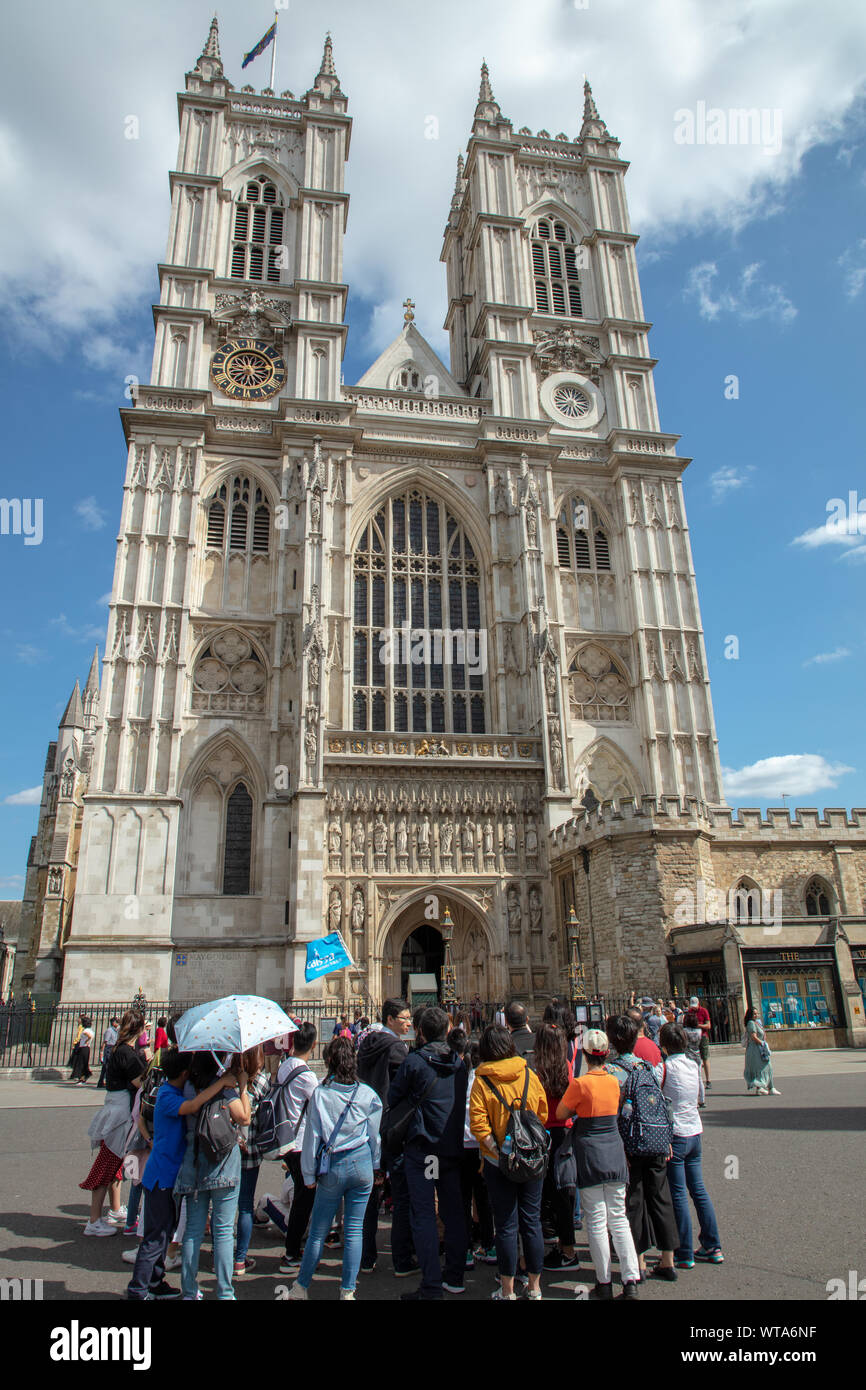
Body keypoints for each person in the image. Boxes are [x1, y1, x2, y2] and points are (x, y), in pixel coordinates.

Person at [126, 1049, 235, 1301]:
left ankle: (154, 1282)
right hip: (161, 1177)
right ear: (185, 1073)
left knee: (165, 1231)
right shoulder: (169, 1097)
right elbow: (194, 1105)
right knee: (155, 1237)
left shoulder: (168, 1090)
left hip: (168, 1175)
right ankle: (137, 1291)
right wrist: (221, 1082)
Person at [287, 1037, 382, 1301]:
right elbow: (374, 1136)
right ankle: (348, 1291)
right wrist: (375, 1165)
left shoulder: (320, 1093)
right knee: (354, 1231)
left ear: (329, 1061)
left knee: (318, 1230)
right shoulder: (367, 1094)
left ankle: (301, 1287)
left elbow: (311, 1138)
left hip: (333, 1165)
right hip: (362, 1163)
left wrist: (308, 1174)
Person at [388, 1006, 468, 1300]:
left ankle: (432, 1286)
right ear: (448, 1030)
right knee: (453, 1210)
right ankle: (456, 1275)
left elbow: (393, 1098)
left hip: (423, 1150)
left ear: (419, 1032)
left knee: (423, 1214)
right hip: (448, 1149)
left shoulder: (415, 1062)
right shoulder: (459, 1064)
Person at [557, 1028, 640, 1299]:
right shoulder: (614, 1082)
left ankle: (603, 1283)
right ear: (606, 1054)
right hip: (614, 1151)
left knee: (596, 1220)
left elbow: (561, 1113)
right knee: (619, 1218)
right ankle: (630, 1282)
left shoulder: (581, 1084)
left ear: (585, 1054)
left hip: (590, 1153)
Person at [470, 1022, 547, 1301]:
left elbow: (478, 1125)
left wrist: (499, 1152)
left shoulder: (482, 1079)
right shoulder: (528, 1073)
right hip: (530, 1160)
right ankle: (536, 1287)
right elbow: (542, 1113)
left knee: (505, 1225)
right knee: (532, 1222)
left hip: (497, 1163)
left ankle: (508, 1290)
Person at [605, 1014, 678, 1283]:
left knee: (633, 1201)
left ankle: (639, 1262)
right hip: (656, 1140)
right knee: (661, 1196)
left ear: (613, 1041)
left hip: (631, 1144)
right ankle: (668, 1260)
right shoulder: (646, 1067)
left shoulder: (612, 1071)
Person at [174, 1052, 250, 1300]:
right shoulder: (226, 1088)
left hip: (194, 1164)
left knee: (193, 1231)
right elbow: (244, 1117)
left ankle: (188, 1290)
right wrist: (243, 1086)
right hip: (223, 1164)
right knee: (223, 1231)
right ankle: (225, 1293)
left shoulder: (187, 1088)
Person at [357, 998, 416, 1277]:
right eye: (405, 1017)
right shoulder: (395, 1049)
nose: (409, 1022)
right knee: (401, 1195)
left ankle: (365, 1258)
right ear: (390, 1019)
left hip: (366, 1126)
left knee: (368, 1195)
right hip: (390, 1128)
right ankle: (402, 1259)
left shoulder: (365, 1043)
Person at [658, 1023, 723, 1269]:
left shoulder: (664, 1068)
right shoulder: (694, 1065)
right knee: (698, 1189)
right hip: (695, 1132)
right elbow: (700, 1098)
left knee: (677, 1194)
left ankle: (684, 1252)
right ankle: (713, 1245)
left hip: (676, 1137)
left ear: (663, 1046)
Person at [79, 1010, 145, 1235]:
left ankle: (115, 1209)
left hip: (118, 1108)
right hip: (120, 1114)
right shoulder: (126, 1052)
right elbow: (139, 1083)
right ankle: (93, 1221)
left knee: (119, 1162)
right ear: (140, 1028)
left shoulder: (121, 1049)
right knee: (108, 1163)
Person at [276, 1021, 320, 1274]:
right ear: (313, 1046)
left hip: (287, 1140)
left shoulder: (284, 1067)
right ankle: (291, 1252)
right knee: (305, 1198)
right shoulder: (306, 1075)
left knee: (301, 1193)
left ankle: (295, 1243)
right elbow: (319, 1104)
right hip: (301, 1143)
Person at [535, 1022, 579, 1271]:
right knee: (563, 1191)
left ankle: (560, 1245)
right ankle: (566, 1247)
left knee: (546, 1191)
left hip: (544, 1134)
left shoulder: (536, 1070)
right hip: (563, 1132)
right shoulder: (567, 1066)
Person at [455, 1033, 496, 1269]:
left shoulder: (458, 1080)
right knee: (484, 1199)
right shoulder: (486, 1081)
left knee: (462, 1199)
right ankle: (489, 1244)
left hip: (462, 1146)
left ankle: (467, 1249)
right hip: (484, 1148)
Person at [232, 1044, 270, 1277]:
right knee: (245, 1205)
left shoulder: (227, 1079)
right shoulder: (263, 1083)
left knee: (222, 1206)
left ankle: (220, 1254)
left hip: (225, 1152)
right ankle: (239, 1260)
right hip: (251, 1152)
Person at [743, 1006, 781, 1096]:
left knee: (768, 1067)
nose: (756, 1015)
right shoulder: (751, 1023)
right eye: (754, 1014)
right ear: (750, 1015)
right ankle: (760, 1087)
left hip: (760, 1047)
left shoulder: (757, 1023)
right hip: (755, 1049)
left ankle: (771, 1087)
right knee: (760, 1068)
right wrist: (762, 1043)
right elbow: (753, 1036)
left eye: (757, 1013)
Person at [682, 1009, 706, 1106]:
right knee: (699, 1078)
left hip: (688, 1056)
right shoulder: (699, 1031)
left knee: (689, 1079)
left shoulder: (685, 1031)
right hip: (697, 1055)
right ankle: (702, 1099)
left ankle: (693, 1099)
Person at [689, 996, 712, 1089]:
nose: (693, 1008)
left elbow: (708, 1025)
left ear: (698, 1004)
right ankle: (695, 1080)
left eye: (695, 1006)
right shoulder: (690, 1012)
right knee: (693, 1059)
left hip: (702, 1036)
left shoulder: (703, 1011)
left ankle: (708, 1080)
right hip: (693, 1037)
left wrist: (699, 1025)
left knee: (705, 1058)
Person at [70, 1013, 95, 1084]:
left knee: (80, 1063)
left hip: (83, 1047)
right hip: (87, 1048)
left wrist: (86, 1041)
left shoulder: (85, 1031)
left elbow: (89, 1036)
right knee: (84, 1063)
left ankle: (82, 1077)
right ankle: (84, 1076)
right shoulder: (91, 1030)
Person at [97, 1017, 119, 1089]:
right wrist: (102, 1052)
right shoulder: (109, 1030)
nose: (118, 1024)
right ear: (113, 1023)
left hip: (112, 1047)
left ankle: (101, 1082)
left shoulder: (115, 1030)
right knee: (107, 1066)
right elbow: (105, 1041)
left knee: (106, 1066)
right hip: (109, 1048)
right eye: (117, 1022)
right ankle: (106, 1081)